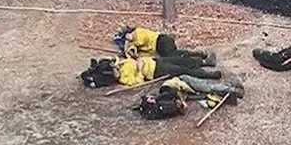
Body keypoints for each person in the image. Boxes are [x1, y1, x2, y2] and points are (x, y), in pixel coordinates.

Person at [79, 52, 221, 89]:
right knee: (182, 70)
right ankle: (209, 75)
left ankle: (204, 62)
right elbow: (138, 82)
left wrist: (135, 57)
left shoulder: (118, 63)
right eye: (114, 69)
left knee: (181, 60)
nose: (116, 67)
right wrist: (140, 70)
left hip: (154, 61)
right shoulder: (124, 78)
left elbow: (117, 59)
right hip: (155, 70)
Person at [113, 25, 210, 61]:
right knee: (176, 56)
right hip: (160, 47)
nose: (127, 39)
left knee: (174, 56)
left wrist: (128, 45)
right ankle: (196, 55)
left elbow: (140, 42)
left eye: (126, 37)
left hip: (161, 41)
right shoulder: (133, 40)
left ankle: (197, 55)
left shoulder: (138, 33)